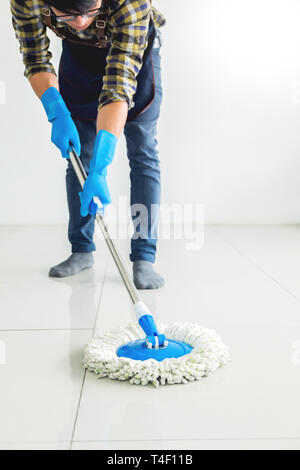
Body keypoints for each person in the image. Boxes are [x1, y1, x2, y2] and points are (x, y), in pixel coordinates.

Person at [10, 0, 166, 289]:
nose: (81, 21)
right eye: (68, 13)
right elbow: (35, 57)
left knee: (142, 151)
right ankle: (81, 249)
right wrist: (55, 108)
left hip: (134, 53)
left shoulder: (131, 4)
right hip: (79, 54)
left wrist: (103, 165)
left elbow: (117, 85)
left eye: (89, 10)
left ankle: (144, 255)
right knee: (79, 155)